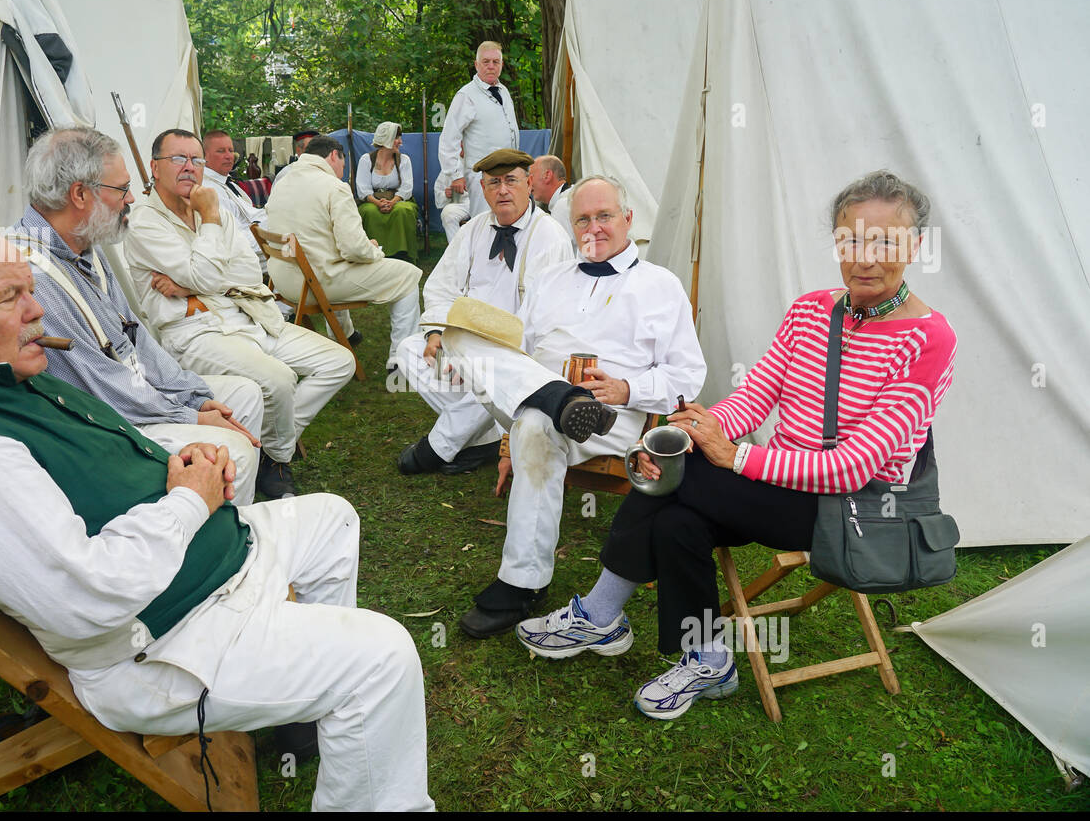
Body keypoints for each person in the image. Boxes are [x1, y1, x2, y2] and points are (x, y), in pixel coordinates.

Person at [0, 221, 434, 812]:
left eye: (29, 289)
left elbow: (97, 464)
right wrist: (189, 499)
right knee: (382, 658)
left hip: (202, 579)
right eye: (10, 297)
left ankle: (303, 705)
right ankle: (334, 693)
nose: (37, 310)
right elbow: (86, 596)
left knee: (332, 519)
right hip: (159, 647)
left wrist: (178, 466)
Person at [518, 169, 957, 722]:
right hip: (773, 487)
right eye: (851, 240)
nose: (865, 257)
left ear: (914, 246)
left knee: (681, 475)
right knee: (679, 516)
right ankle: (708, 659)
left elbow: (855, 466)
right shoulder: (811, 310)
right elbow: (755, 397)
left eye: (885, 241)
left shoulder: (929, 337)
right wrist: (696, 432)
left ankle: (603, 611)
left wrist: (731, 456)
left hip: (848, 508)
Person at [437, 175, 707, 638]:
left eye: (604, 216)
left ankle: (521, 583)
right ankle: (558, 398)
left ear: (628, 218)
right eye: (583, 218)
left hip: (610, 418)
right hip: (542, 396)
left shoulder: (660, 286)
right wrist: (509, 436)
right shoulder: (551, 279)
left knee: (536, 425)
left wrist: (626, 389)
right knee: (461, 333)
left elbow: (687, 376)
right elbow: (516, 357)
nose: (593, 227)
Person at [9, 127, 264, 505]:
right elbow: (102, 385)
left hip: (127, 396)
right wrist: (189, 417)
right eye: (121, 189)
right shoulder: (33, 274)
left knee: (245, 394)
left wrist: (192, 397)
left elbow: (134, 339)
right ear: (80, 194)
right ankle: (212, 540)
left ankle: (224, 517)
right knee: (231, 445)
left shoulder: (84, 247)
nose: (130, 198)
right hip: (94, 427)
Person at [123, 128, 357, 500]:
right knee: (279, 380)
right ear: (154, 167)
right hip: (195, 330)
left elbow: (249, 270)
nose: (190, 168)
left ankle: (264, 444)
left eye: (196, 160)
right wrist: (211, 227)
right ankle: (278, 458)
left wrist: (195, 282)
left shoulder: (210, 208)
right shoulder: (144, 222)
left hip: (248, 313)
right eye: (178, 159)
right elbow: (207, 273)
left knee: (339, 362)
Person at [395, 148, 573, 476]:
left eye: (511, 181)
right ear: (483, 188)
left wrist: (480, 359)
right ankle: (484, 440)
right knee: (408, 351)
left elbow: (545, 323)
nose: (502, 190)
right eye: (494, 182)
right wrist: (436, 333)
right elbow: (441, 286)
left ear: (530, 183)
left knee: (491, 376)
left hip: (515, 358)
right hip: (461, 346)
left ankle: (437, 446)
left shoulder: (550, 238)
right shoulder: (473, 229)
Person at [265, 134, 422, 369]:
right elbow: (354, 250)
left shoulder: (283, 182)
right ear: (333, 156)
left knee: (332, 261)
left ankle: (345, 335)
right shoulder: (334, 187)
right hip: (315, 285)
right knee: (407, 275)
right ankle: (401, 359)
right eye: (343, 164)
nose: (342, 171)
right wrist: (374, 251)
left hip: (284, 282)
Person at [438, 41, 519, 220]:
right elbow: (448, 139)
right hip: (481, 175)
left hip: (508, 172)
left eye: (495, 62)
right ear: (476, 65)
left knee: (507, 221)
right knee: (484, 223)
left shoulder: (503, 91)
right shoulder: (466, 96)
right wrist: (455, 175)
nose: (491, 66)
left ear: (502, 65)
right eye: (486, 62)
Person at [355, 122, 418, 261]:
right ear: (386, 139)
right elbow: (362, 189)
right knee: (369, 212)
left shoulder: (403, 160)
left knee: (403, 211)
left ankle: (403, 254)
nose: (400, 142)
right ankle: (372, 252)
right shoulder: (366, 160)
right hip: (372, 199)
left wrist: (392, 202)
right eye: (397, 138)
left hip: (398, 199)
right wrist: (378, 203)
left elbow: (407, 187)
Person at [201, 129, 266, 260]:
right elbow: (236, 241)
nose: (229, 156)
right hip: (247, 256)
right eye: (221, 151)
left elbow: (251, 214)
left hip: (258, 240)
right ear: (204, 156)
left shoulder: (226, 182)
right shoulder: (209, 190)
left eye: (230, 150)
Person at [530, 154, 573, 239]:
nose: (529, 184)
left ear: (547, 175)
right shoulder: (571, 197)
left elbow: (560, 250)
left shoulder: (562, 206)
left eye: (531, 177)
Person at [435, 168, 471, 241]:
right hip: (462, 204)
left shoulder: (482, 162)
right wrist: (445, 195)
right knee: (448, 214)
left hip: (485, 202)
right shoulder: (450, 167)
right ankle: (457, 250)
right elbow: (439, 197)